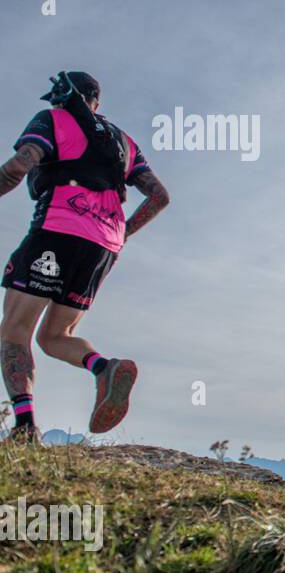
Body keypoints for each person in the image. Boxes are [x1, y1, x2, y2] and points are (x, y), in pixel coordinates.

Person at [0, 71, 170, 441]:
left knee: (14, 332)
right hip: (103, 246)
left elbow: (19, 167)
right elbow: (160, 197)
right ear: (97, 102)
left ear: (64, 97)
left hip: (57, 231)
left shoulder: (54, 119)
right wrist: (121, 234)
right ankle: (104, 368)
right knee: (54, 336)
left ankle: (26, 428)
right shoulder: (126, 144)